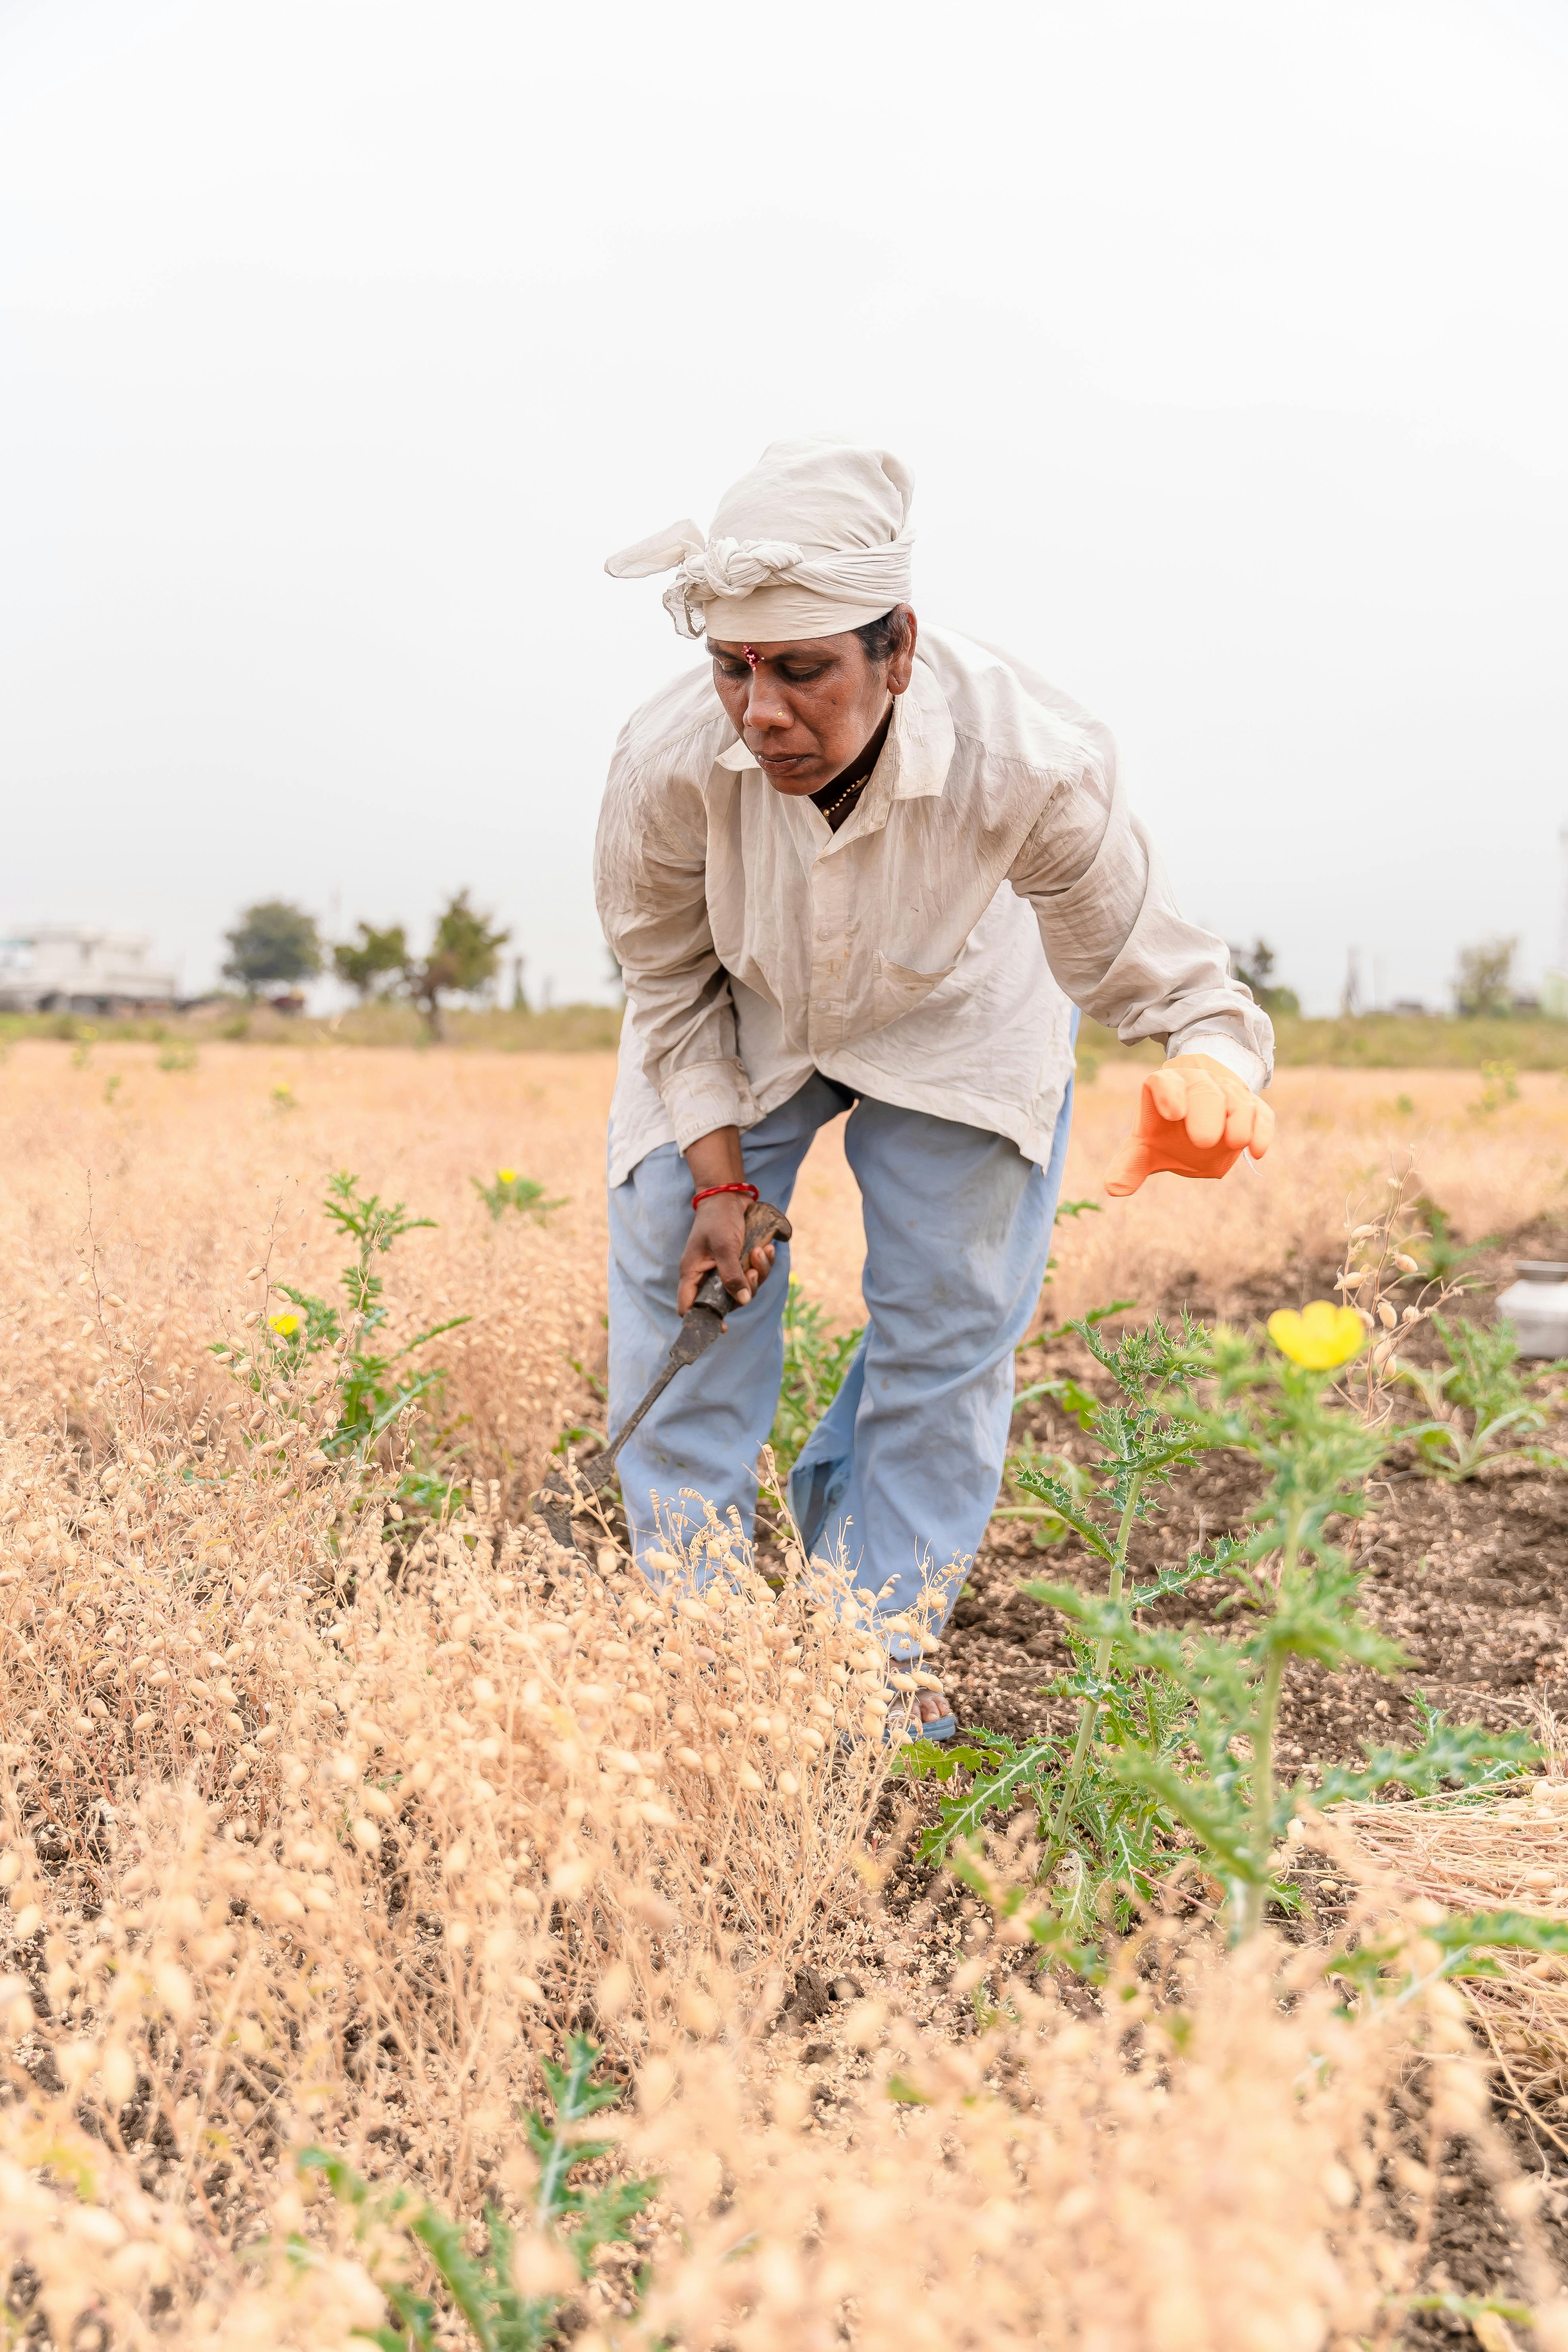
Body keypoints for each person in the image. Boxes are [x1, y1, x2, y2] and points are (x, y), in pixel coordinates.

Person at [595, 437, 1274, 1738]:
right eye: (733, 669)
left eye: (803, 670)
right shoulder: (667, 760)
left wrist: (1213, 1067)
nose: (763, 712)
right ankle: (696, 1659)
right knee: (671, 1279)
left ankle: (865, 1663)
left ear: (895, 647)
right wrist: (719, 1179)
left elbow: (1173, 977)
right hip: (745, 1004)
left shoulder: (1030, 757)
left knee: (950, 1323)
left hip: (964, 999)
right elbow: (667, 980)